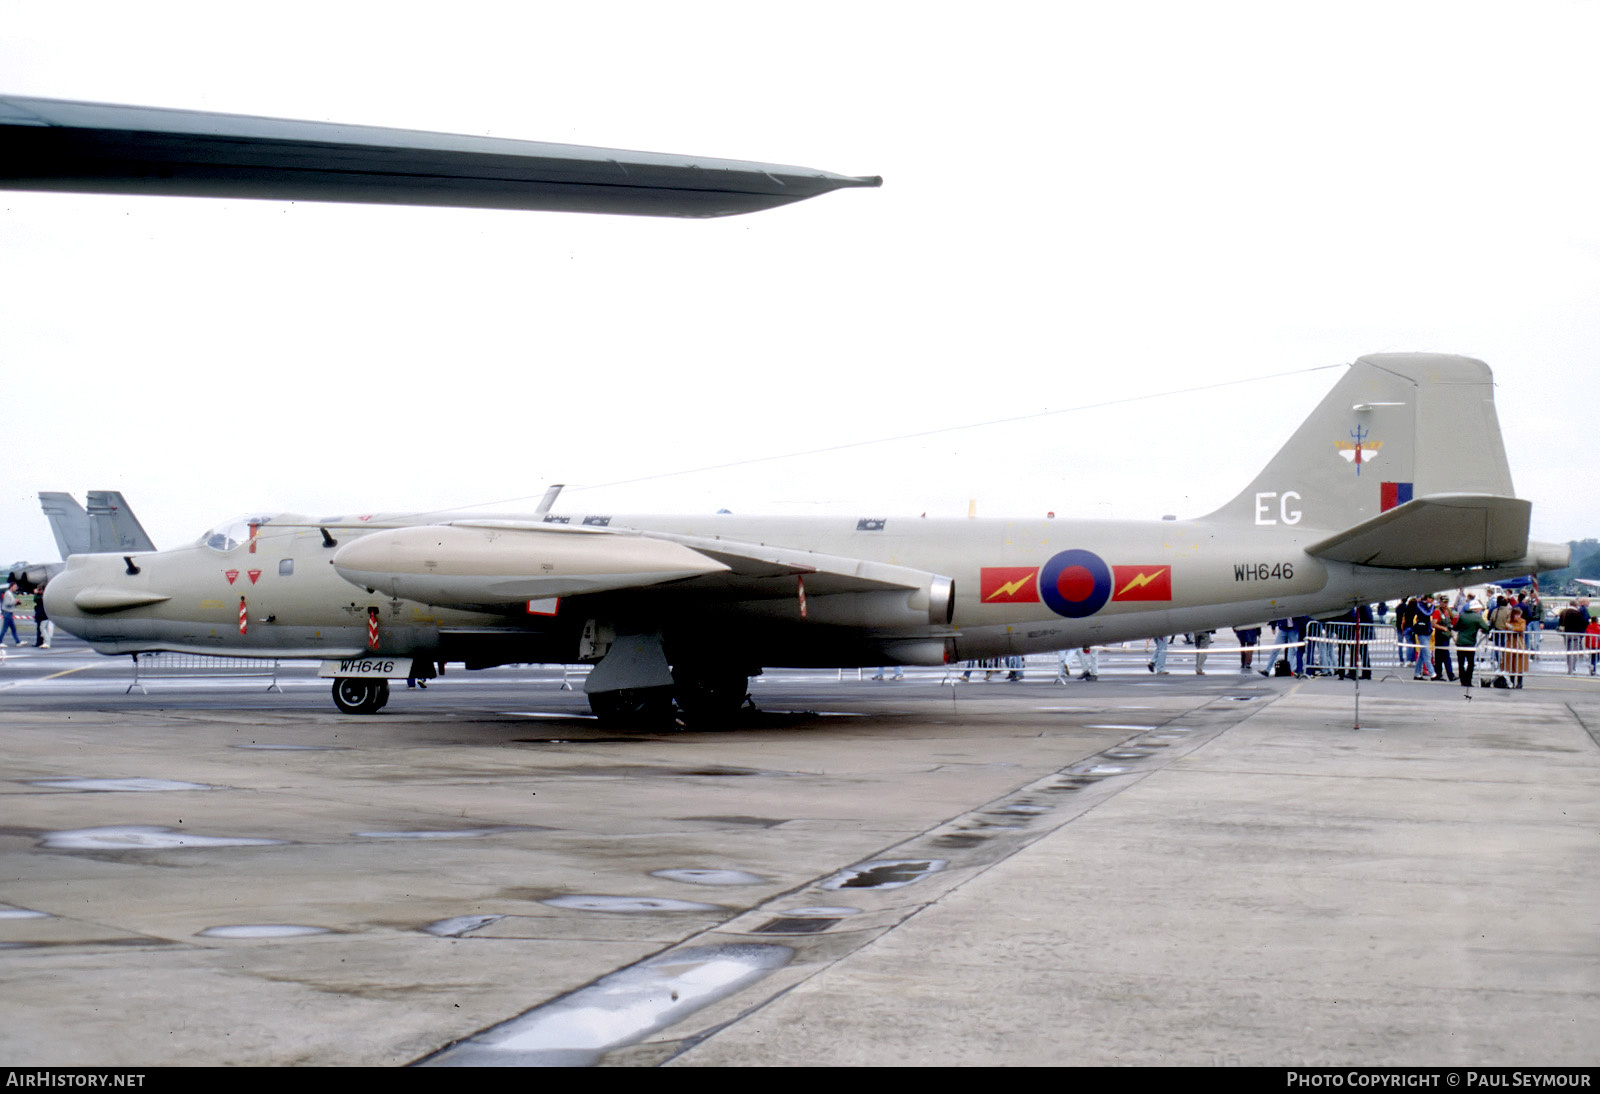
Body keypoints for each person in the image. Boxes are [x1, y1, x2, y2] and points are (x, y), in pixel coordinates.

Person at [1453, 601, 1490, 688]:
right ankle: (1468, 680)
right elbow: (1485, 628)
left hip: (1460, 642)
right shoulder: (1477, 617)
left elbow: (1456, 627)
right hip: (1470, 642)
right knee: (1470, 663)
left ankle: (1462, 680)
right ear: (1476, 609)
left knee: (1461, 662)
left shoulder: (1462, 615)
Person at [33, 583, 51, 648]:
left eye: (40, 590)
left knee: (42, 628)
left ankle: (46, 642)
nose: (38, 591)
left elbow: (36, 599)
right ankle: (40, 642)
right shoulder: (41, 596)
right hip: (40, 615)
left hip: (43, 615)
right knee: (41, 629)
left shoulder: (43, 597)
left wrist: (36, 593)